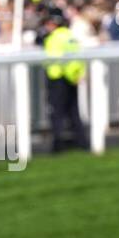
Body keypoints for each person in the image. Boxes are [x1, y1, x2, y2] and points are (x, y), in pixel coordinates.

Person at [42, 9, 88, 152]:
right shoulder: (70, 36)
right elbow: (78, 58)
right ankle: (82, 142)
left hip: (57, 79)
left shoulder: (53, 38)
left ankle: (58, 144)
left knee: (57, 113)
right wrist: (77, 75)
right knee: (74, 111)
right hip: (72, 78)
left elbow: (53, 60)